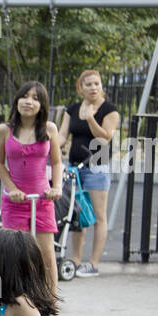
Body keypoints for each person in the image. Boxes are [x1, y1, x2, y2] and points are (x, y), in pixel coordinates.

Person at [0, 81, 66, 316]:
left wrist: (56, 187)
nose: (28, 101)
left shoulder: (49, 129)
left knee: (46, 255)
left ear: (41, 104)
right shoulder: (5, 130)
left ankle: (51, 309)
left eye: (35, 98)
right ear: (17, 101)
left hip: (42, 199)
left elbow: (56, 162)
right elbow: (0, 164)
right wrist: (12, 188)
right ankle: (3, 305)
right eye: (24, 97)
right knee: (11, 254)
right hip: (16, 201)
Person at [57, 69, 120, 278]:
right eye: (89, 84)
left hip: (97, 167)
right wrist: (51, 146)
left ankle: (93, 263)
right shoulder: (73, 108)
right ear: (81, 87)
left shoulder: (110, 110)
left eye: (97, 83)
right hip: (75, 167)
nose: (93, 87)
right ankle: (76, 259)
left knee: (98, 216)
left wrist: (91, 118)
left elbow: (105, 138)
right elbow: (63, 134)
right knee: (77, 214)